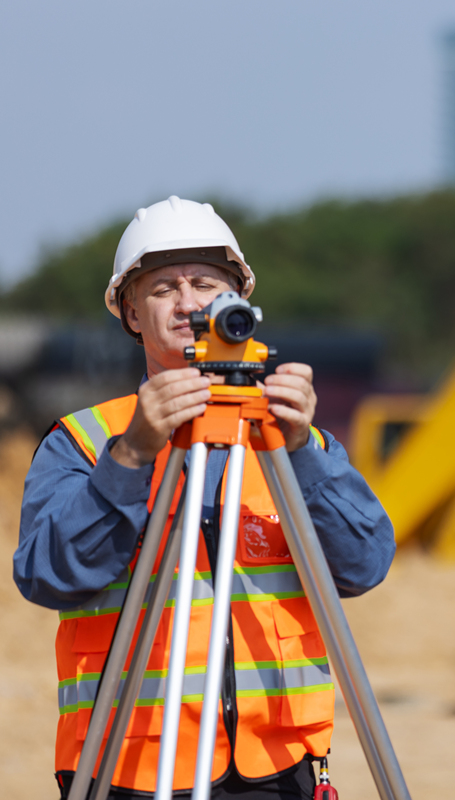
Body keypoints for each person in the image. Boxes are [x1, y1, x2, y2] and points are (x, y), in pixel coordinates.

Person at [14, 196, 396, 799]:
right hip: (131, 767)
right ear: (131, 312)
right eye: (164, 288)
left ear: (239, 303)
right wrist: (131, 456)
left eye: (206, 285)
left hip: (279, 768)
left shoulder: (292, 436)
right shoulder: (86, 441)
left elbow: (363, 565)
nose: (188, 303)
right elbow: (47, 576)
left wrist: (300, 450)